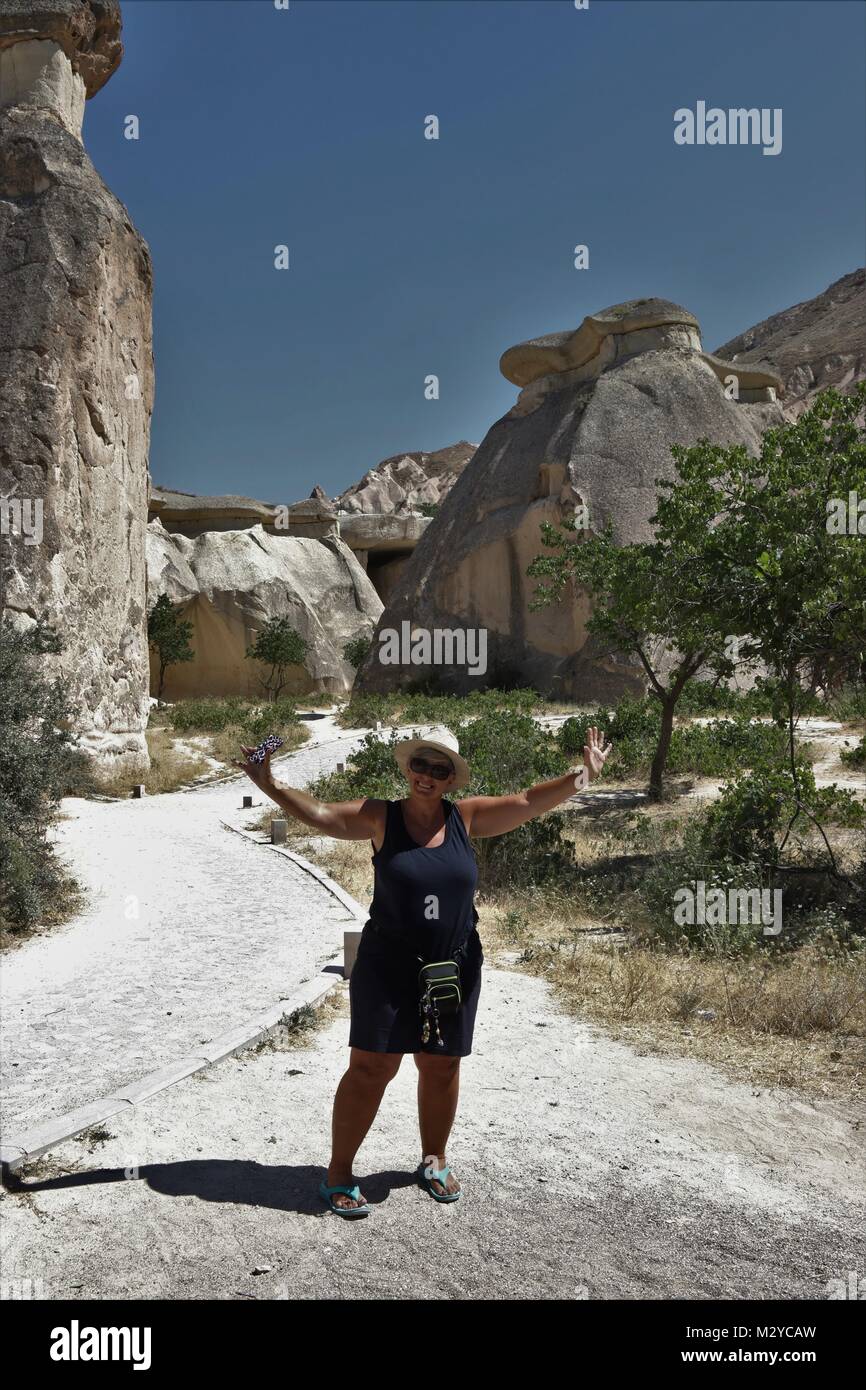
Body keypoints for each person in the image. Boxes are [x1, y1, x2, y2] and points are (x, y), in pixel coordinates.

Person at [237, 721, 612, 1217]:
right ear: (407, 768)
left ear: (452, 778)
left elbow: (527, 801)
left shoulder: (466, 818)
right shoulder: (380, 818)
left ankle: (433, 1160)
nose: (428, 776)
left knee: (441, 1065)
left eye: (440, 769)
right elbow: (324, 814)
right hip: (386, 964)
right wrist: (270, 784)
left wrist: (582, 775)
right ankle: (338, 1174)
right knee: (372, 1067)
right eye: (420, 765)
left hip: (452, 965)